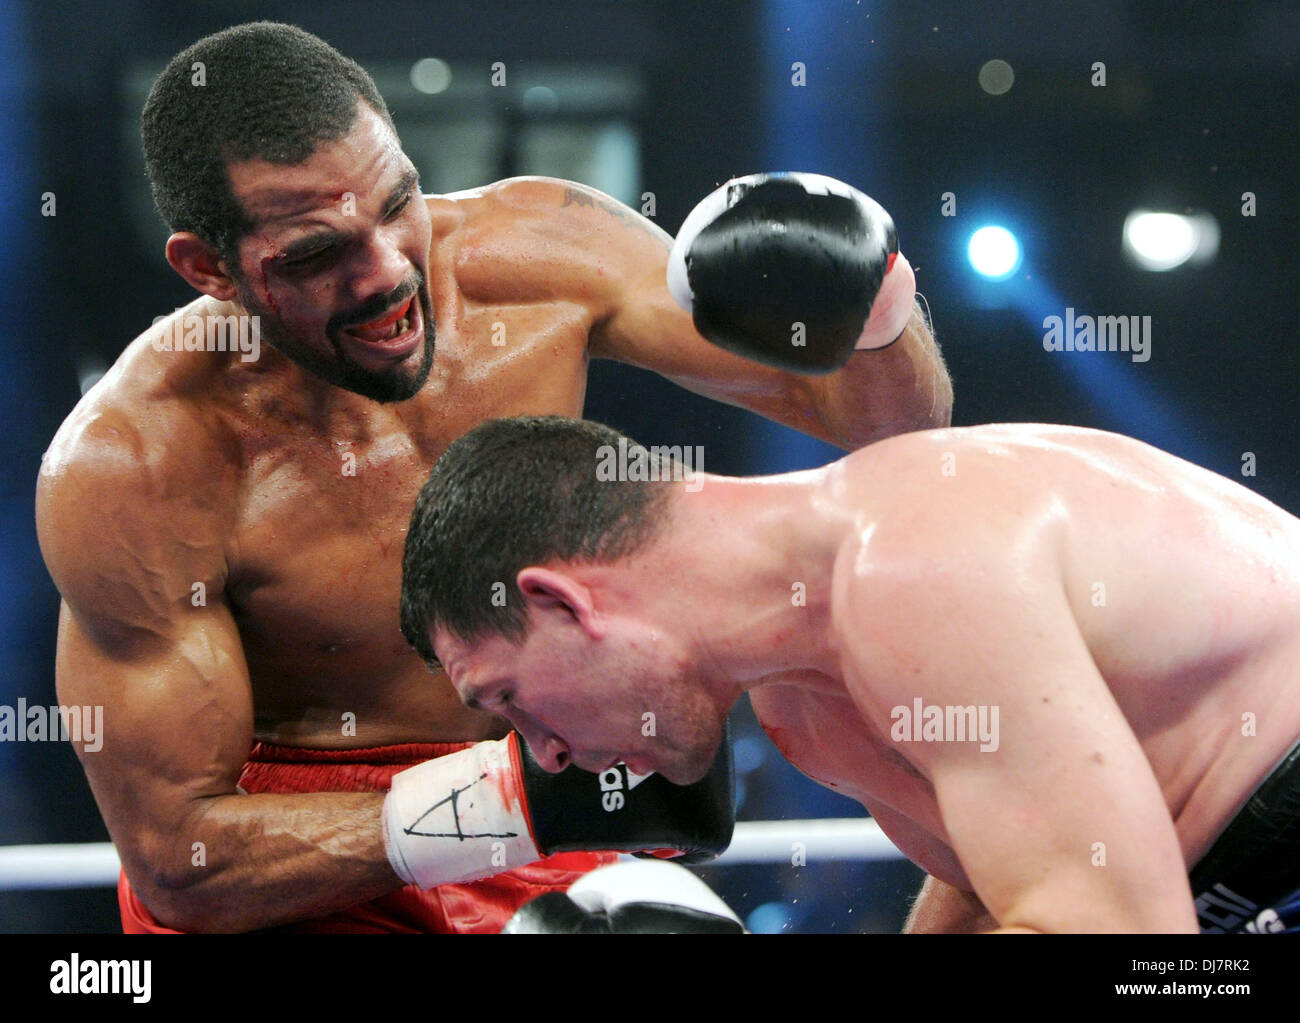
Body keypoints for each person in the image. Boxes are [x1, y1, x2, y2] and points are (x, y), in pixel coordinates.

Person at [34, 22, 950, 933]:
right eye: (316, 253)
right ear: (209, 268)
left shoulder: (543, 257)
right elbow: (178, 862)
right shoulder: (137, 461)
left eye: (398, 202)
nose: (390, 272)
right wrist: (521, 807)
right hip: (300, 861)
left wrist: (872, 305)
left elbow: (891, 432)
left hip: (540, 794)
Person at [403, 415, 1300, 934]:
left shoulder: (911, 567)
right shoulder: (803, 703)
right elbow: (1015, 883)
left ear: (561, 602)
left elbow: (1116, 939)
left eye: (508, 699)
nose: (544, 756)